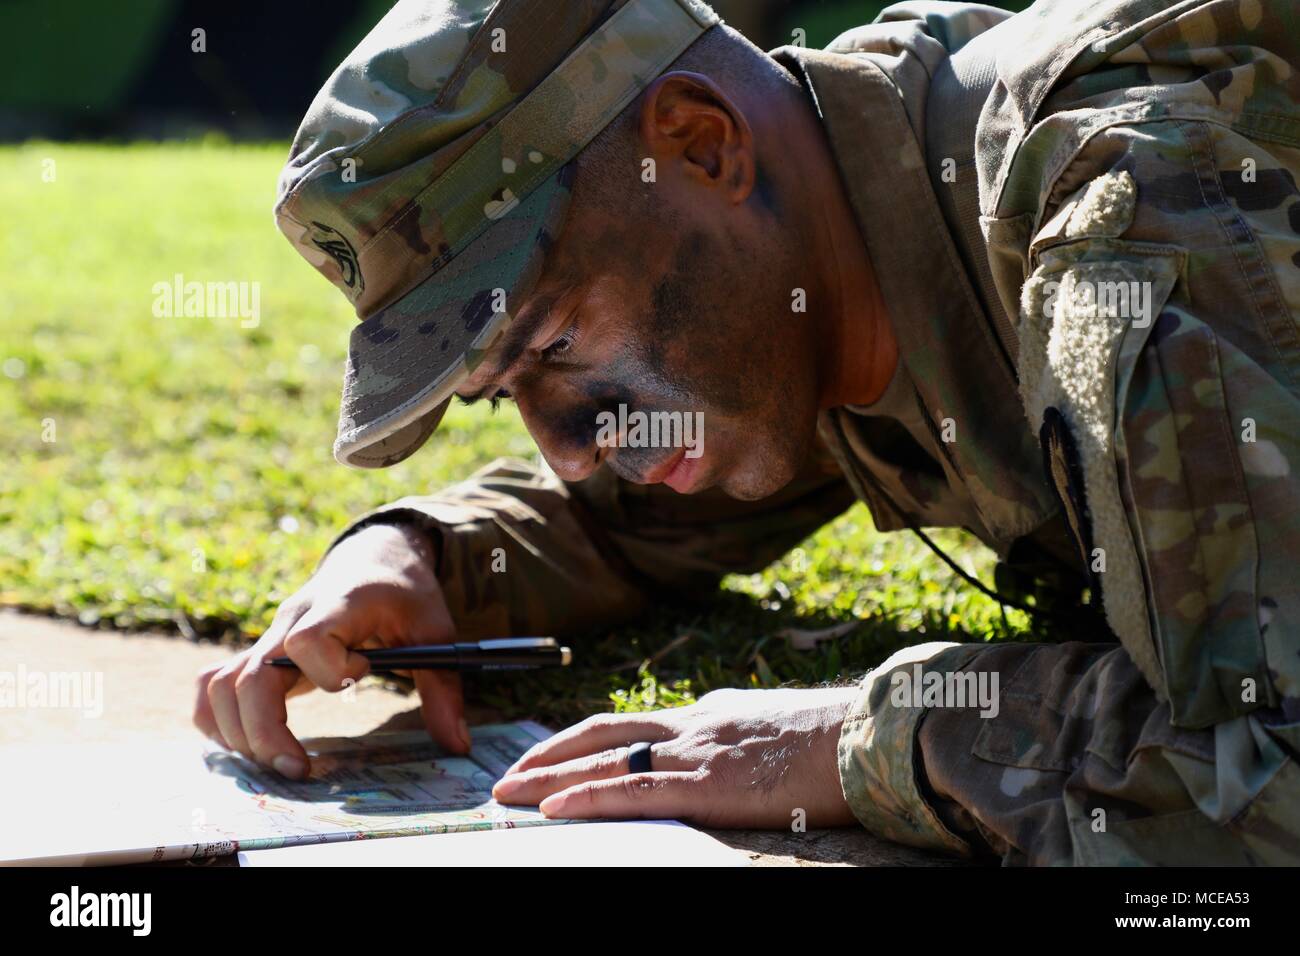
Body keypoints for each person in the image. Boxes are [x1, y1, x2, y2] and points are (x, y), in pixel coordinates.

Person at [193, 0, 1300, 864]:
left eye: (555, 345)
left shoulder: (1127, 216)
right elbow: (624, 514)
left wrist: (866, 736)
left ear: (700, 141)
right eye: (502, 390)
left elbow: (1264, 782)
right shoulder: (816, 247)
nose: (570, 444)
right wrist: (423, 559)